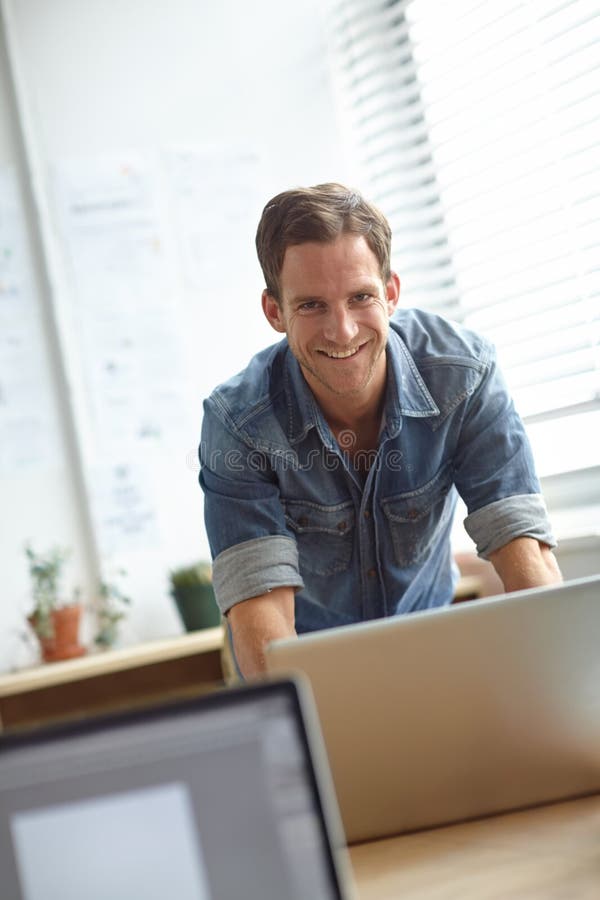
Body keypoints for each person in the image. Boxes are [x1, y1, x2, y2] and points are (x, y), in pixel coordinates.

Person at [199, 183, 562, 677]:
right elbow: (264, 630)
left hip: (423, 649)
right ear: (274, 312)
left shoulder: (463, 376)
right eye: (311, 306)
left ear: (391, 293)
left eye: (361, 297)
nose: (342, 330)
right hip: (301, 664)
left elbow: (526, 557)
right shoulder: (238, 424)